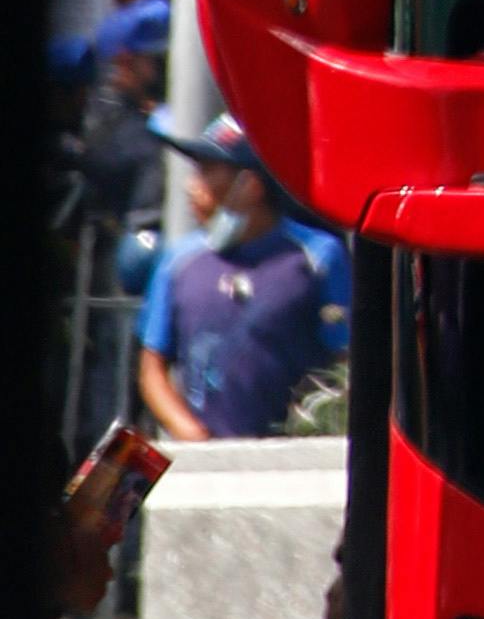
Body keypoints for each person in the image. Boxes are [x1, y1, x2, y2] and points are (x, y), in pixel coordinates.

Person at [133, 118, 349, 446]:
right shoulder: (179, 262)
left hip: (295, 461)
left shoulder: (317, 257)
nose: (192, 185)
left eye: (207, 170)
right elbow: (152, 367)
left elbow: (345, 360)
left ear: (251, 185)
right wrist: (194, 436)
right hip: (205, 462)